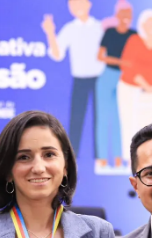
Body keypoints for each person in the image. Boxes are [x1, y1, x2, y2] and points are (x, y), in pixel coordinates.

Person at [42, 0, 104, 158]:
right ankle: (71, 157)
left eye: (80, 3)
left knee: (101, 119)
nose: (76, 8)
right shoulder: (70, 29)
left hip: (100, 80)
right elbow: (57, 54)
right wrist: (50, 33)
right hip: (80, 79)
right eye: (73, 5)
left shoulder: (100, 27)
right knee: (76, 119)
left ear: (89, 4)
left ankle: (100, 157)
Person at [117, 9, 152, 169]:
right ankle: (129, 159)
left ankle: (144, 159)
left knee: (146, 124)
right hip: (129, 88)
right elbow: (128, 66)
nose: (151, 26)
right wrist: (146, 86)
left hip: (151, 91)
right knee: (129, 122)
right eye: (148, 23)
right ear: (142, 25)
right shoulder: (134, 40)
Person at [95, 0, 135, 172]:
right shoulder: (110, 32)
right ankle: (103, 157)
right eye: (123, 13)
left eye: (129, 14)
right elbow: (100, 56)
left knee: (123, 119)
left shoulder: (134, 35)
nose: (126, 17)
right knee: (103, 118)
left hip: (126, 79)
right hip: (107, 76)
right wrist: (121, 61)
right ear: (117, 15)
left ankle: (121, 157)